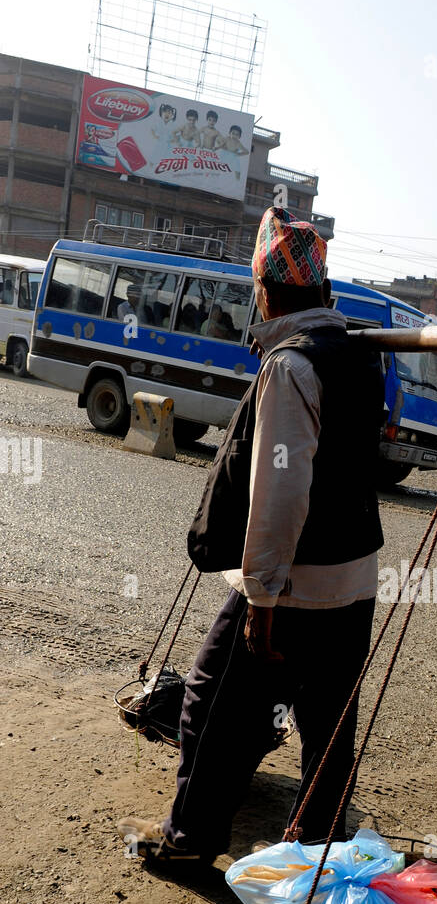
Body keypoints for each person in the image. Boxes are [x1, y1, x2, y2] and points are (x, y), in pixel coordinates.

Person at [118, 209, 385, 867]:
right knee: (328, 731)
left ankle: (188, 843)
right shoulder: (358, 355)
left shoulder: (292, 366)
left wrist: (262, 599)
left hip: (292, 588)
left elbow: (281, 493)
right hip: (353, 581)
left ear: (264, 292)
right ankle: (316, 864)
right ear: (322, 293)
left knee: (213, 711)